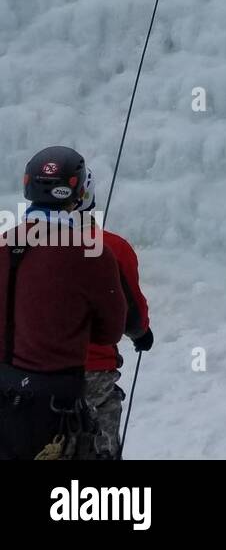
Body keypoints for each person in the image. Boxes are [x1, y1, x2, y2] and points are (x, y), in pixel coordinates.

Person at [0, 146, 126, 460]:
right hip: (56, 403)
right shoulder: (91, 252)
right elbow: (110, 331)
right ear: (80, 192)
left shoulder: (4, 243)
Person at [75, 180, 153, 460]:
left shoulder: (14, 244)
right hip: (93, 372)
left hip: (25, 373)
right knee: (100, 447)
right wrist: (142, 334)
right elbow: (132, 314)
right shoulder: (113, 247)